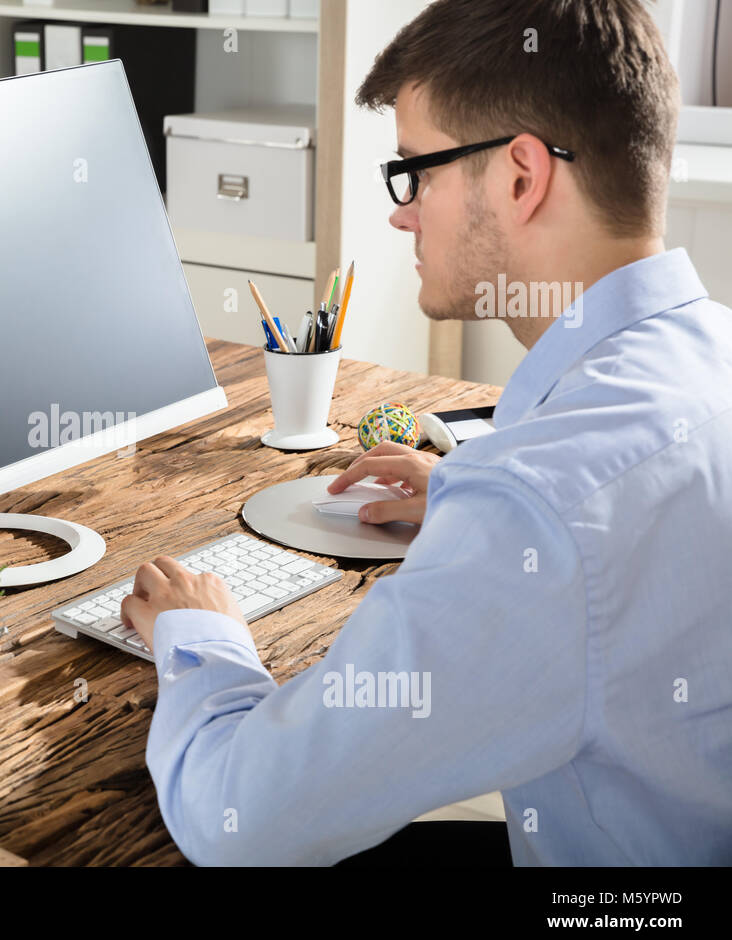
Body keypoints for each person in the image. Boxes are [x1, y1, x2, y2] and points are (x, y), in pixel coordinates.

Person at [121, 0, 732, 865]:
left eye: (418, 171)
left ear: (522, 176)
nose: (403, 215)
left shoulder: (539, 509)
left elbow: (238, 818)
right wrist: (462, 499)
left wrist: (200, 637)